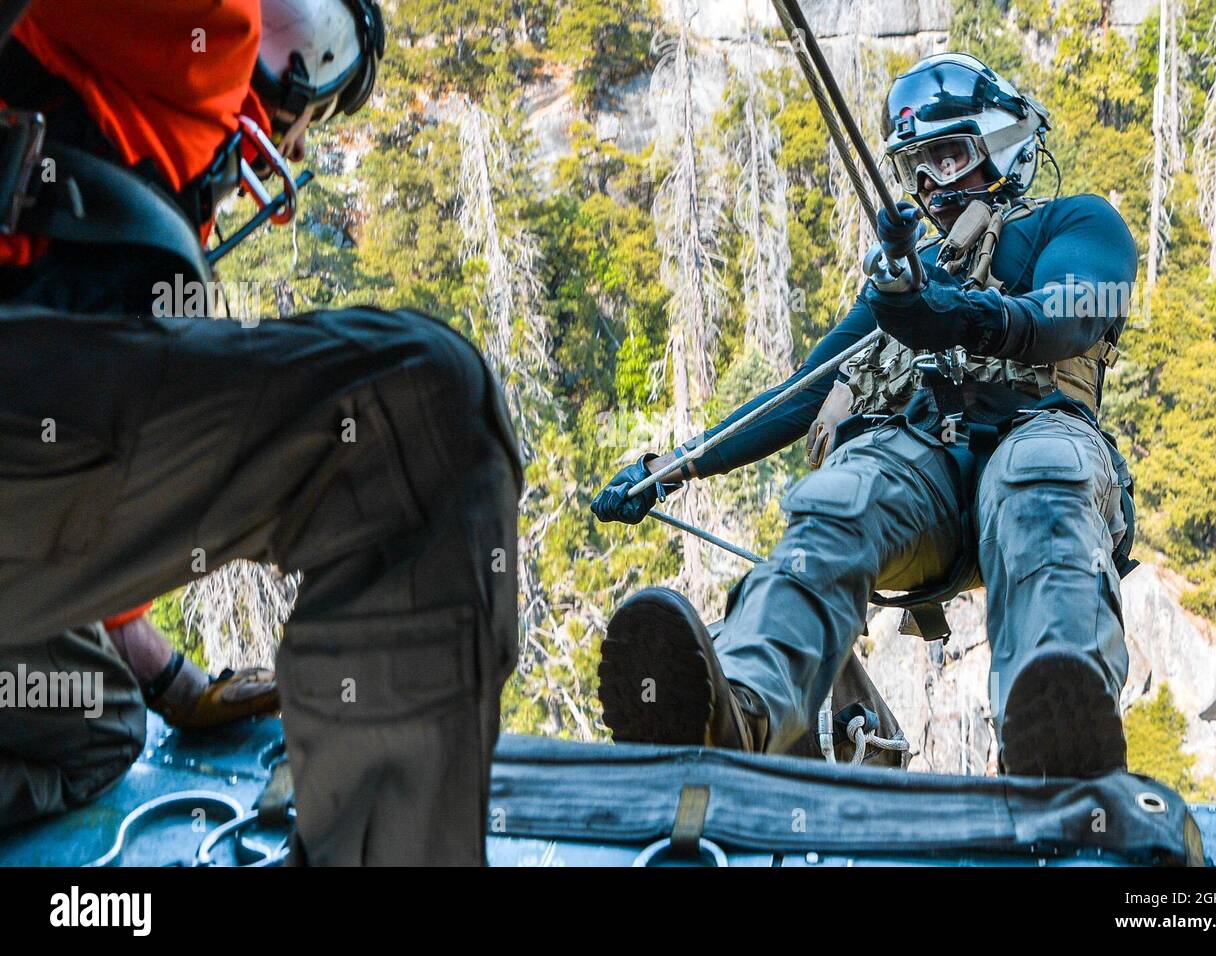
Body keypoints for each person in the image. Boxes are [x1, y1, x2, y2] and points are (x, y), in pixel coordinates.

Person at [0, 0, 520, 866]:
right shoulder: (202, 34)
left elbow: (91, 486)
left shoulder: (132, 147)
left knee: (93, 721)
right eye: (315, 99)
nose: (301, 146)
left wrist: (173, 682)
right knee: (425, 417)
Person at [592, 53, 1139, 778]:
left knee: (1040, 477)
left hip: (1039, 428)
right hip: (930, 456)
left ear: (1000, 145)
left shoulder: (1075, 224)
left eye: (949, 155)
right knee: (843, 497)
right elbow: (804, 391)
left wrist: (957, 315)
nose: (932, 185)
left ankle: (1057, 716)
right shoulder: (909, 279)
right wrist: (675, 466)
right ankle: (740, 708)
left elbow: (1071, 312)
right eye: (917, 166)